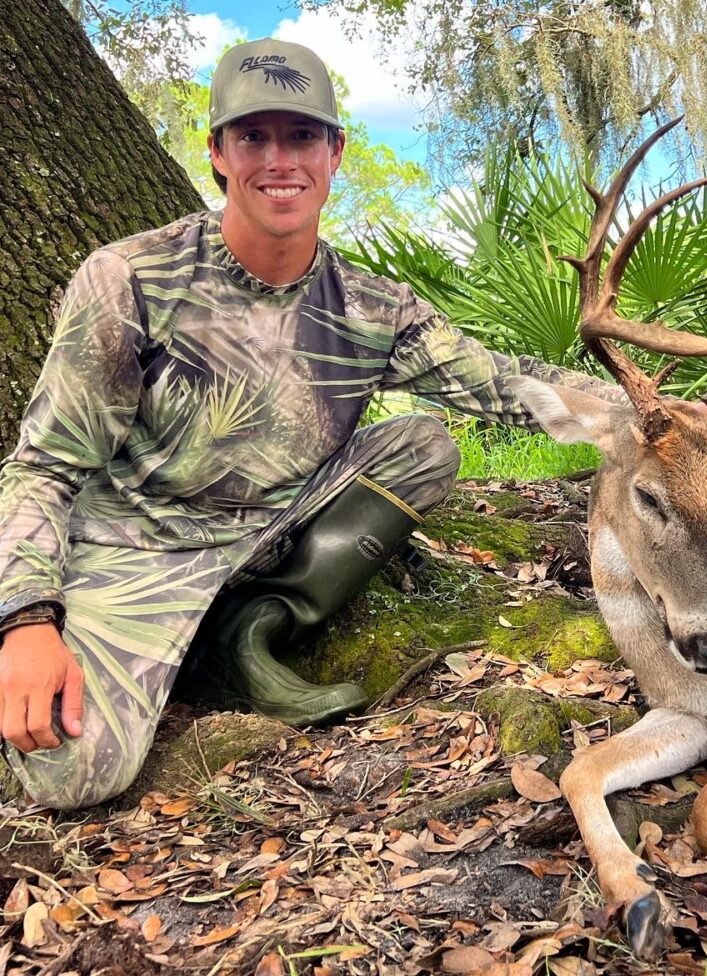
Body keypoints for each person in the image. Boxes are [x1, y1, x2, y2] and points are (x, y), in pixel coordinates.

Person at [0, 38, 622, 810]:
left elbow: (495, 381)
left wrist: (642, 414)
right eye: (252, 136)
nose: (278, 159)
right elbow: (43, 467)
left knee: (424, 447)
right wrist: (26, 620)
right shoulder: (131, 278)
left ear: (335, 152)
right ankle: (178, 642)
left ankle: (246, 633)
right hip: (140, 547)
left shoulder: (372, 306)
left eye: (300, 136)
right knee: (72, 773)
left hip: (278, 527)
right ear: (218, 154)